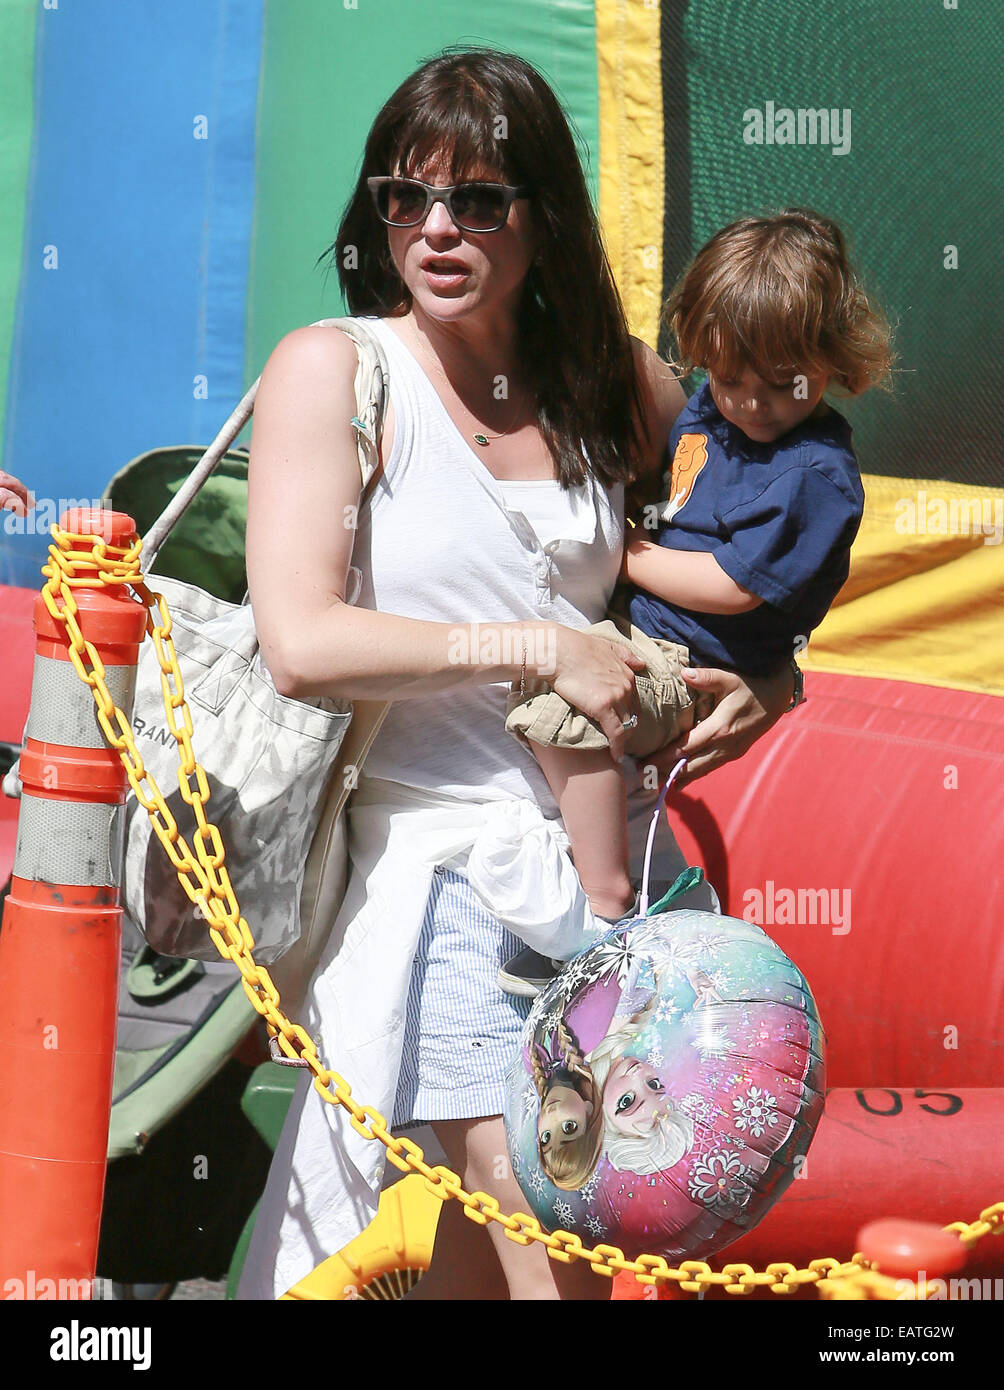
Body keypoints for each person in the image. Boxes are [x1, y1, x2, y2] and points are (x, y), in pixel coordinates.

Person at [238, 47, 796, 1303]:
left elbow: (770, 526)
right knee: (541, 1193)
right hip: (433, 866)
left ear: (542, 217)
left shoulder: (617, 381)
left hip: (609, 868)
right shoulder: (335, 367)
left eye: (478, 200)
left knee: (501, 1247)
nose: (435, 229)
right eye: (404, 196)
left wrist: (778, 674)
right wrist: (537, 643)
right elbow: (300, 640)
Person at [502, 209, 892, 973]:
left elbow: (733, 585)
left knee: (564, 706)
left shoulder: (812, 474)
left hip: (695, 657)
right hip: (644, 625)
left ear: (833, 358)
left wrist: (625, 553)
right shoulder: (710, 409)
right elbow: (676, 486)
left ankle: (605, 903)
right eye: (729, 376)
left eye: (781, 383)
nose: (750, 403)